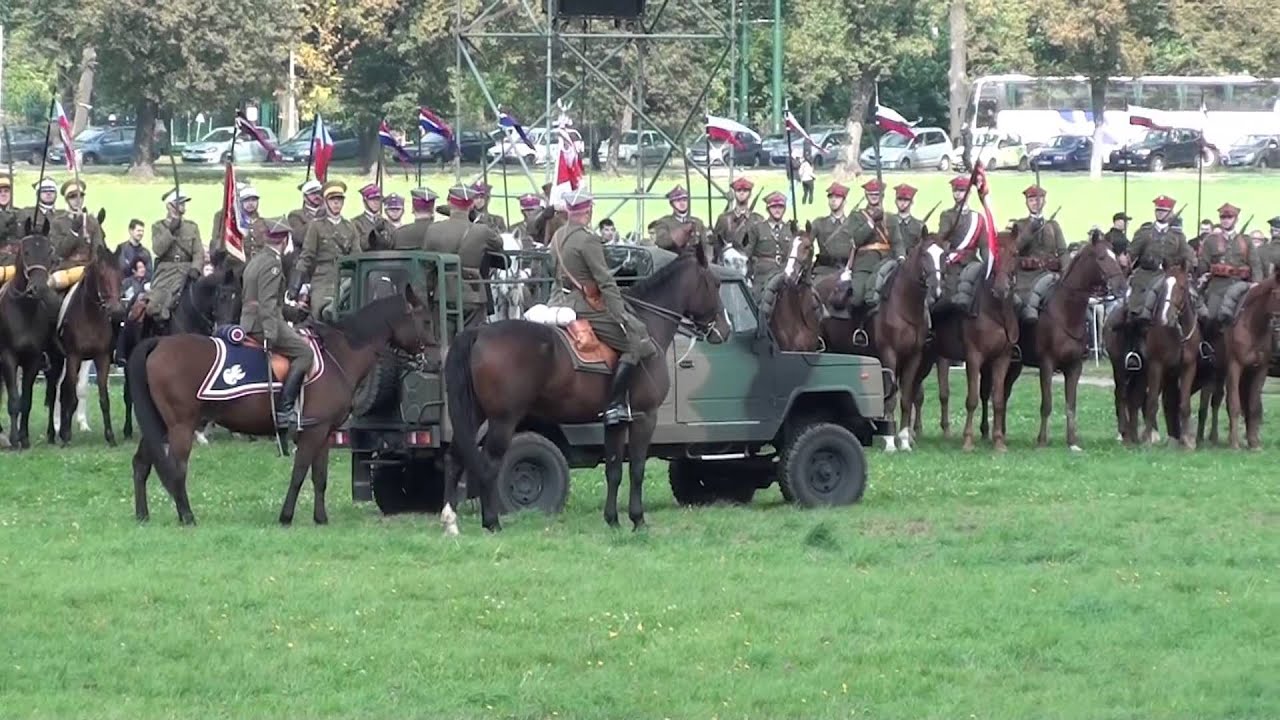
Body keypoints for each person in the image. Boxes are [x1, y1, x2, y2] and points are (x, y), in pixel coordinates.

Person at [547, 187, 656, 426]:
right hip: (583, 305)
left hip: (558, 300)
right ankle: (614, 405)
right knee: (634, 343)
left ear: (569, 211)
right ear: (587, 211)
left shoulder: (556, 237)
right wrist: (621, 315)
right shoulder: (587, 240)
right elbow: (604, 280)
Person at [241, 218, 313, 428]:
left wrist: (294, 313)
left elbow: (257, 299)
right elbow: (267, 303)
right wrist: (271, 335)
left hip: (249, 321)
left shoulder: (256, 259)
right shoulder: (273, 264)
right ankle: (286, 409)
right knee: (304, 353)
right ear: (285, 240)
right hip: (263, 324)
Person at [1120, 194, 1196, 367]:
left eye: (1164, 211)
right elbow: (1132, 253)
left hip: (1169, 277)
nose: (1160, 213)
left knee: (1195, 304)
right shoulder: (1144, 233)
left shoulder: (1178, 236)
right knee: (1134, 312)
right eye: (1158, 210)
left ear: (1171, 213)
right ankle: (1133, 351)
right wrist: (1126, 259)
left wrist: (1185, 268)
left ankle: (1195, 347)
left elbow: (1189, 257)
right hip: (1146, 277)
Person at [423, 185, 504, 330]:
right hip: (473, 295)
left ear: (449, 203)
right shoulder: (482, 231)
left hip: (443, 294)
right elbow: (498, 244)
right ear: (472, 205)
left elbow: (427, 267)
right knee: (472, 342)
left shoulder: (433, 230)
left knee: (444, 341)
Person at [293, 180, 359, 320]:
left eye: (339, 200)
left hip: (345, 278)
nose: (336, 203)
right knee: (320, 313)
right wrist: (295, 284)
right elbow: (307, 255)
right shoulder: (316, 226)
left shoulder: (350, 227)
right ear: (325, 202)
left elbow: (356, 256)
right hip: (322, 278)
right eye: (332, 200)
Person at [826, 179, 892, 313]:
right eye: (871, 194)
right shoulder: (857, 216)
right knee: (857, 299)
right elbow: (856, 239)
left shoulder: (891, 218)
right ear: (866, 196)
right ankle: (858, 330)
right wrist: (872, 222)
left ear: (882, 196)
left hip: (887, 262)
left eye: (877, 194)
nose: (874, 197)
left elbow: (897, 241)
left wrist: (901, 257)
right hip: (865, 264)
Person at [1200, 203, 1261, 333]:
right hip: (1217, 286)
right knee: (1210, 317)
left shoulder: (1246, 241)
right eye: (1223, 218)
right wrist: (1203, 274)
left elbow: (1255, 264)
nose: (1226, 220)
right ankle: (1206, 347)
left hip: (1240, 285)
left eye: (1229, 217)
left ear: (1236, 219)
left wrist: (1256, 283)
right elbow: (1203, 264)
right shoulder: (1211, 240)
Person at [145, 188, 203, 324]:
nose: (182, 206)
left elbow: (198, 251)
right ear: (169, 205)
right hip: (166, 272)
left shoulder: (192, 227)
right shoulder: (158, 226)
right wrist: (170, 230)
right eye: (179, 203)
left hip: (187, 270)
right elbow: (158, 249)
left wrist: (196, 268)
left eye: (183, 203)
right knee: (155, 305)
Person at [1011, 185, 1066, 321]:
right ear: (1027, 203)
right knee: (1023, 308)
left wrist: (1066, 270)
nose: (1036, 203)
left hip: (1050, 275)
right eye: (1032, 200)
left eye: (1039, 199)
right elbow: (1014, 248)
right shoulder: (1019, 225)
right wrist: (1030, 229)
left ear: (1044, 202)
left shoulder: (1053, 225)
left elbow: (1063, 251)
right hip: (1027, 278)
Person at [743, 191, 791, 298]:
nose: (777, 210)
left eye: (780, 207)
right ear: (768, 209)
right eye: (774, 207)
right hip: (763, 275)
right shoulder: (757, 228)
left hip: (784, 273)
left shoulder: (790, 229)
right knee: (759, 300)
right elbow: (748, 253)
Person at [49, 179, 106, 266]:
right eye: (72, 197)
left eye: (81, 196)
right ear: (66, 200)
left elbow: (98, 248)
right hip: (66, 267)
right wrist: (73, 232)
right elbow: (60, 252)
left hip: (89, 267)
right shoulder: (58, 223)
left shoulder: (92, 221)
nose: (77, 200)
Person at [210, 184, 267, 267]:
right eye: (247, 200)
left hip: (257, 264)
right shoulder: (231, 223)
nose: (250, 203)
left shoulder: (262, 222)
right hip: (236, 263)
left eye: (254, 200)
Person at [650, 185, 710, 256]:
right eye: (678, 200)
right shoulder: (663, 223)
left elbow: (706, 246)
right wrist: (683, 230)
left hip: (695, 263)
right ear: (671, 203)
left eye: (684, 200)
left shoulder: (698, 222)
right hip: (673, 262)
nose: (682, 203)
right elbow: (663, 243)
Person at [712, 177, 761, 261]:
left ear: (750, 194)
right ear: (734, 193)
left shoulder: (757, 219)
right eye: (738, 190)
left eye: (745, 191)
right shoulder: (723, 219)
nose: (741, 193)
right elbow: (717, 245)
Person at [810, 182, 849, 280]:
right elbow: (806, 242)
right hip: (824, 270)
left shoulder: (852, 223)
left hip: (846, 269)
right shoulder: (819, 223)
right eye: (831, 197)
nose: (833, 200)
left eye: (837, 197)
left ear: (844, 201)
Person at [889, 184, 925, 259]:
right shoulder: (888, 222)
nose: (902, 203)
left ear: (912, 202)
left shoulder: (919, 226)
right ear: (895, 201)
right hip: (891, 260)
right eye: (900, 199)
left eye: (906, 200)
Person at [352, 183, 390, 252]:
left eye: (378, 199)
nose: (376, 203)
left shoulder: (385, 222)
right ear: (364, 200)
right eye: (372, 199)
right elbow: (360, 245)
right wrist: (375, 231)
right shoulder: (356, 223)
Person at [0, 173, 17, 264]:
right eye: (0, 192)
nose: (3, 194)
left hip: (17, 262)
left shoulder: (20, 214)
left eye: (6, 191)